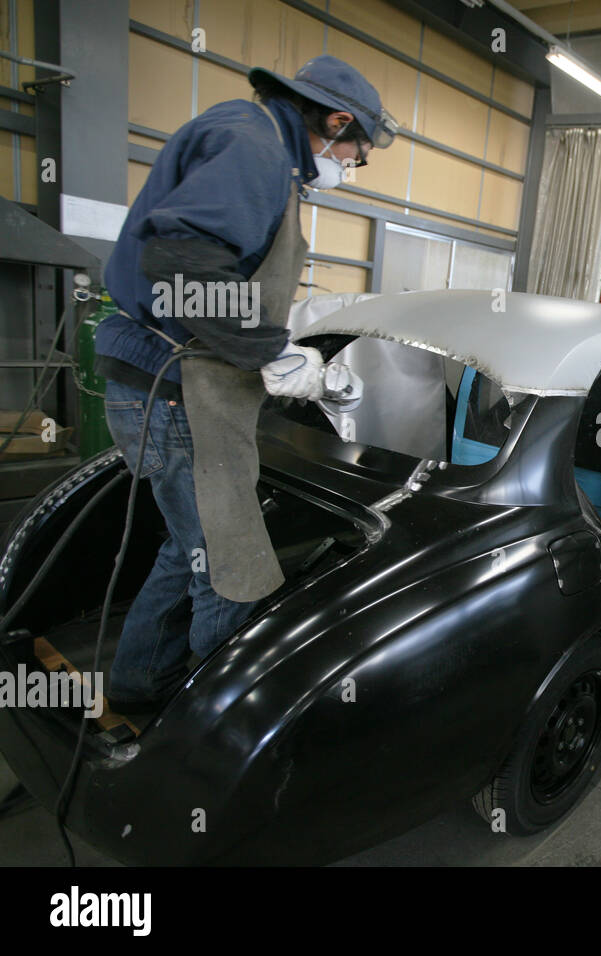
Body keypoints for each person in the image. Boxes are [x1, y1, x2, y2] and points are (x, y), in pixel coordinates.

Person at [96, 56, 396, 713]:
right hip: (170, 382)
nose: (350, 165)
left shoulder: (258, 146)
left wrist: (274, 351)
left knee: (190, 546)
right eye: (357, 153)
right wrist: (273, 355)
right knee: (231, 560)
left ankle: (140, 683)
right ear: (337, 121)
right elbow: (183, 260)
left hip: (160, 377)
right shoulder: (253, 143)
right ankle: (220, 718)